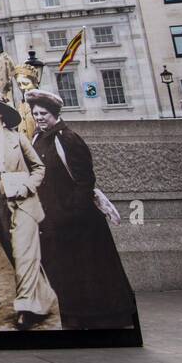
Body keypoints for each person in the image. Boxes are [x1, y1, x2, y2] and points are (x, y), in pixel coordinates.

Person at [27, 90, 136, 330]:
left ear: (55, 114)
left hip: (78, 222)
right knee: (65, 272)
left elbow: (86, 180)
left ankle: (101, 319)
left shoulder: (68, 139)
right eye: (35, 113)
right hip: (52, 219)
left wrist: (70, 213)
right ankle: (71, 316)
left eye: (43, 113)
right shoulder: (37, 139)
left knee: (87, 271)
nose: (39, 117)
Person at [0, 90, 56, 328]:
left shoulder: (17, 138)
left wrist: (28, 185)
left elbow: (39, 168)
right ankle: (43, 300)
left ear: (0, 114)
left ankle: (25, 308)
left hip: (23, 201)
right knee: (18, 256)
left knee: (23, 253)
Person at [13, 61, 44, 141]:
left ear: (35, 83)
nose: (22, 87)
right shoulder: (20, 105)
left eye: (25, 83)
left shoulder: (43, 104)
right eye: (19, 84)